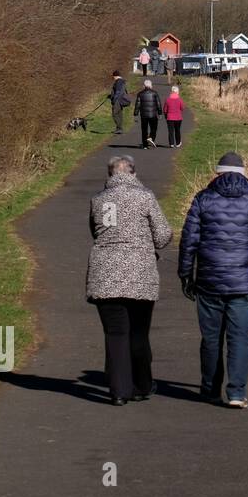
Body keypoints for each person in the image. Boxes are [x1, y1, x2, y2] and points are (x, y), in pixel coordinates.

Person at [178, 152, 248, 409]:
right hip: (243, 283)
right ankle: (236, 392)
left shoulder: (203, 199)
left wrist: (185, 274)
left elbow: (188, 240)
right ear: (243, 173)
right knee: (239, 339)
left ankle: (210, 389)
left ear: (218, 173)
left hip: (209, 281)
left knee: (211, 338)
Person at [86, 155, 173, 406]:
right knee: (138, 333)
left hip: (105, 275)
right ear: (133, 173)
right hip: (140, 274)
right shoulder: (145, 197)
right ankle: (142, 384)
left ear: (110, 174)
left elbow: (95, 231)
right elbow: (163, 234)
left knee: (115, 333)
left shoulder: (98, 200)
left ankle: (119, 391)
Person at [134, 79, 162, 149]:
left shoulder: (140, 94)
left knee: (144, 130)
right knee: (154, 128)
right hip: (153, 114)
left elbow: (137, 105)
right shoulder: (155, 93)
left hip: (143, 115)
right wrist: (160, 113)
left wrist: (135, 114)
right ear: (150, 85)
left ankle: (145, 145)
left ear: (144, 85)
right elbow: (158, 104)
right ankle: (151, 137)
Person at [108, 70, 130, 135]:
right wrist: (110, 96)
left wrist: (114, 99)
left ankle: (119, 128)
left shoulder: (118, 82)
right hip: (120, 100)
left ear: (115, 76)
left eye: (113, 76)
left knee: (115, 114)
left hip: (117, 100)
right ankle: (119, 128)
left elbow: (118, 92)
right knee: (119, 114)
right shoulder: (122, 81)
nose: (113, 78)